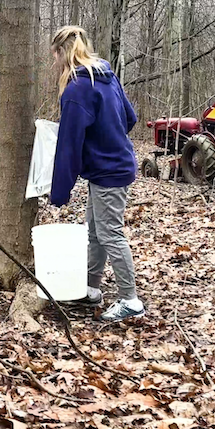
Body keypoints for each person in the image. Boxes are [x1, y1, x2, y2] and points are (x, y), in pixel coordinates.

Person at [48, 26, 144, 322]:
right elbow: (130, 118)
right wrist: (107, 138)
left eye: (54, 56)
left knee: (110, 233)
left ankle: (130, 300)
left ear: (62, 53)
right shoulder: (106, 76)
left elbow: (69, 146)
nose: (54, 63)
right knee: (95, 231)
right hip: (114, 164)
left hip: (109, 171)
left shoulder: (77, 89)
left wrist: (59, 192)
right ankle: (90, 288)